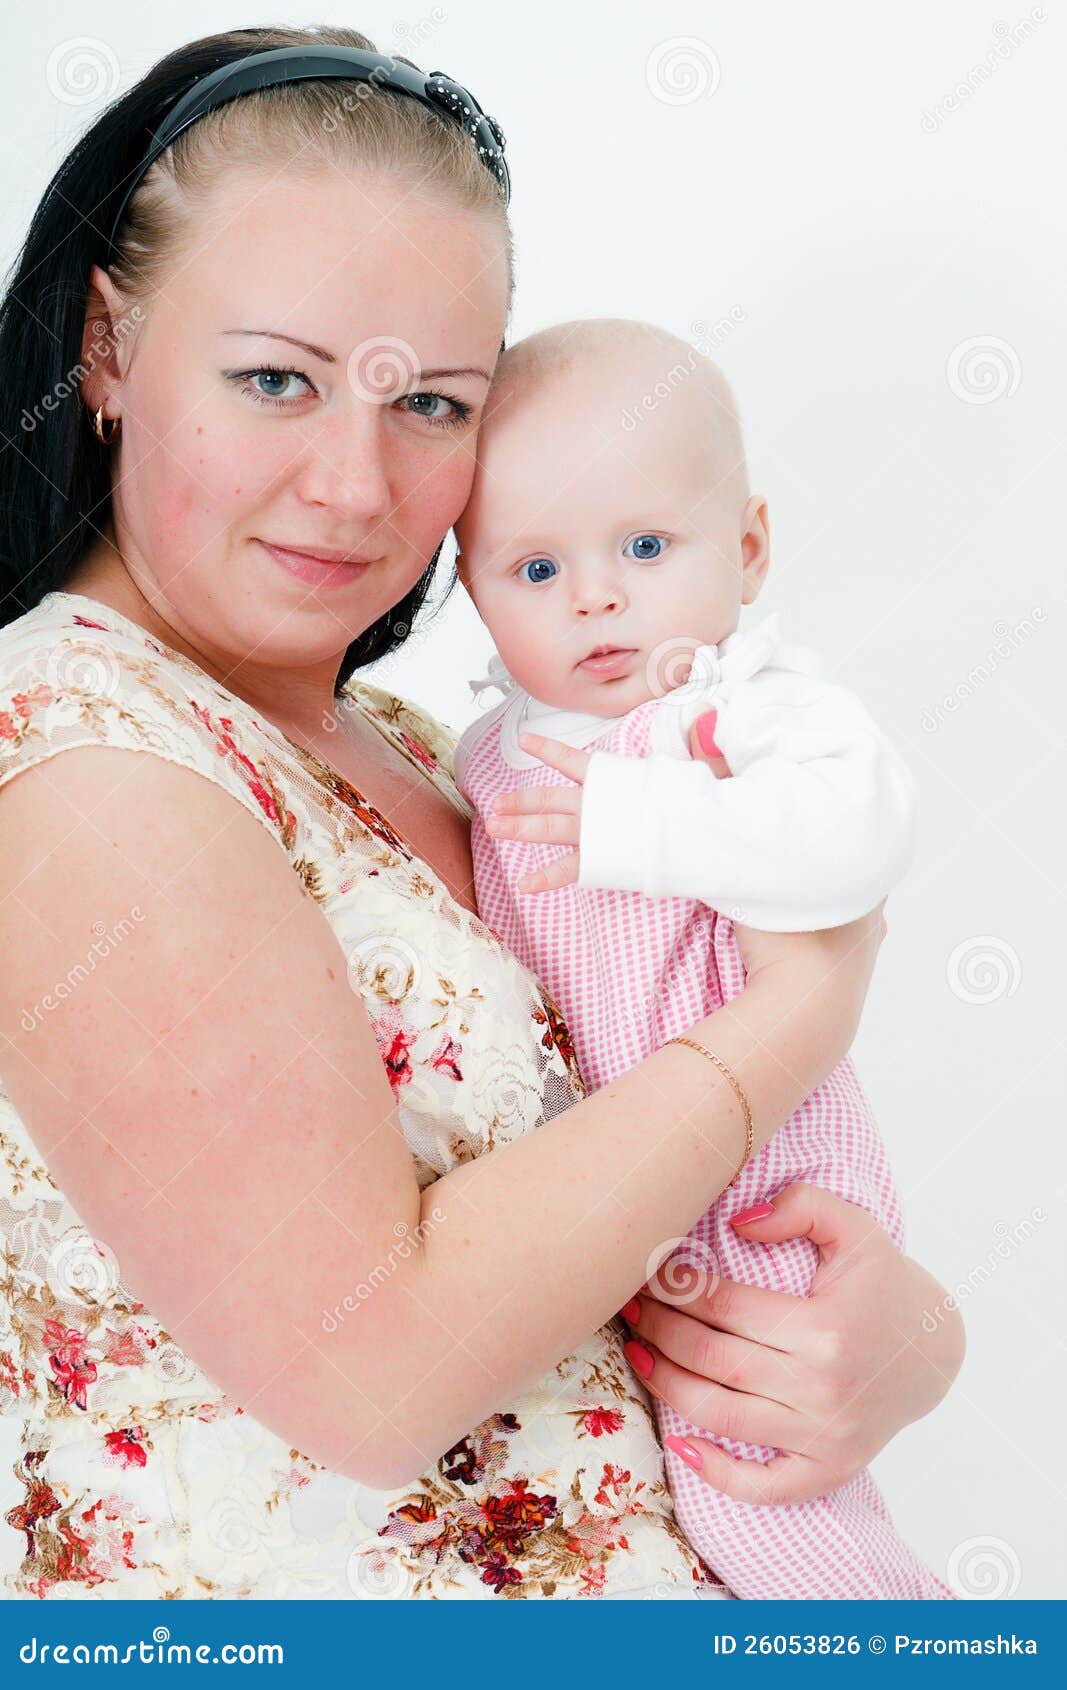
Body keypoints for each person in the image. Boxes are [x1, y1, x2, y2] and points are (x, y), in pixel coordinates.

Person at [0, 24, 963, 1600]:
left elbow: (626, 1203)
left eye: (432, 404)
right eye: (273, 380)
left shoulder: (425, 746)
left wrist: (888, 1340)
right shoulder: (85, 759)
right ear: (107, 351)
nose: (354, 484)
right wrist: (804, 997)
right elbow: (365, 1373)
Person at [449, 318, 950, 1597]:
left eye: (645, 547)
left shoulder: (745, 709)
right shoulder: (487, 755)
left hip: (762, 1193)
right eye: (534, 567)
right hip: (608, 1204)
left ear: (749, 546)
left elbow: (861, 832)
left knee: (763, 1490)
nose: (597, 597)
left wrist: (645, 819)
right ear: (467, 585)